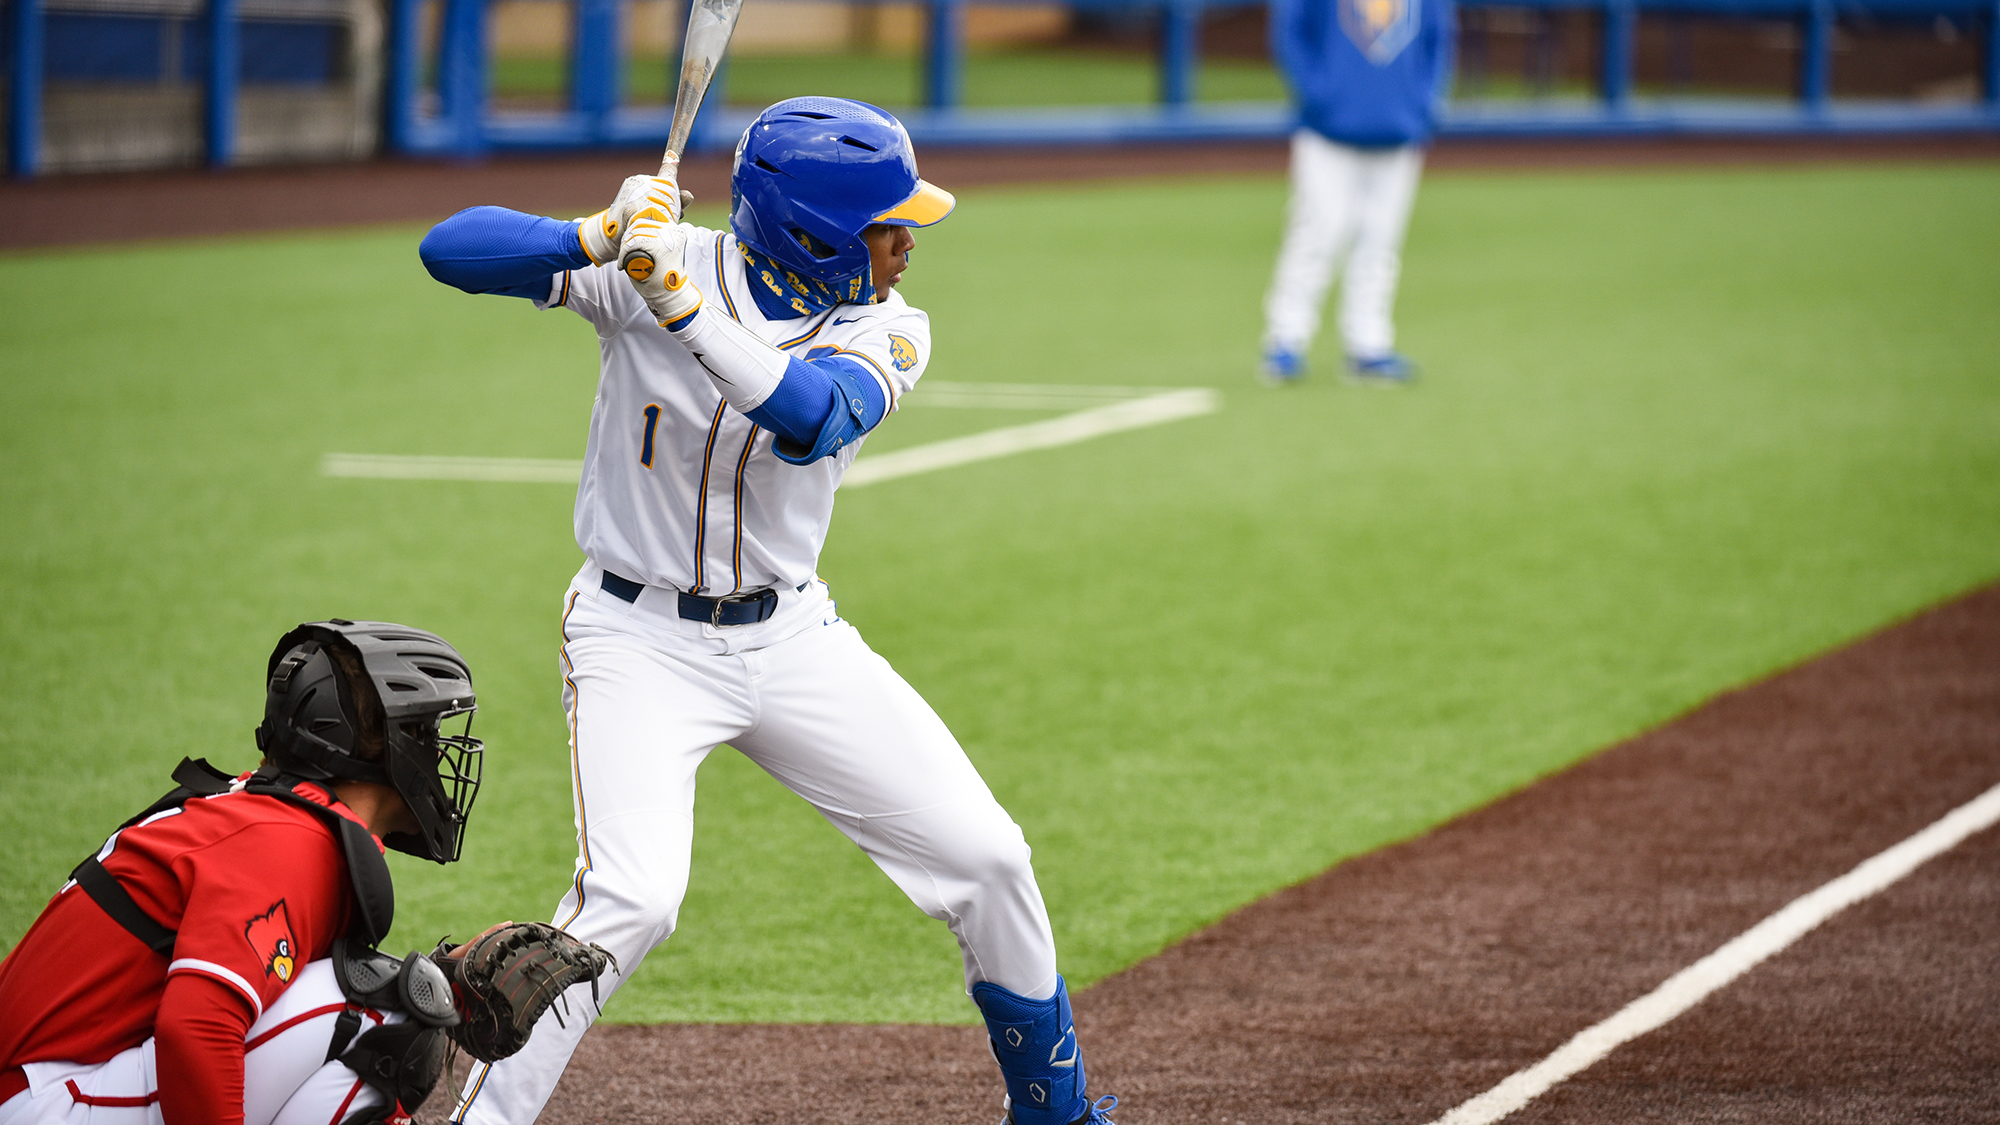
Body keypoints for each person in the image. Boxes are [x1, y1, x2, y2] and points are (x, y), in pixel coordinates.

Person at [416, 96, 1120, 1125]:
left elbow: (811, 417)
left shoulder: (888, 326)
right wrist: (593, 239)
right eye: (888, 227)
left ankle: (1055, 1116)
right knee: (634, 899)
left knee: (988, 860)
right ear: (817, 234)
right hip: (634, 639)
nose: (906, 245)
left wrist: (681, 313)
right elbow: (448, 250)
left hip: (792, 640)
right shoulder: (661, 263)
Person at [0, 620, 490, 1125]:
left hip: (64, 1079)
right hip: (41, 1098)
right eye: (426, 734)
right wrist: (423, 990)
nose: (438, 754)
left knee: (399, 993)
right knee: (388, 1011)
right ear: (388, 750)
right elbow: (196, 1027)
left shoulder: (273, 817)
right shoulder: (289, 843)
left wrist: (447, 985)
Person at [1261, 0, 1456, 384]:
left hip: (1399, 129)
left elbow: (1439, 41)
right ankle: (1285, 339)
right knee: (1318, 233)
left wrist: (1422, 104)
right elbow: (1291, 33)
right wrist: (1320, 95)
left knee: (1380, 239)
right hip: (1328, 132)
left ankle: (1369, 345)